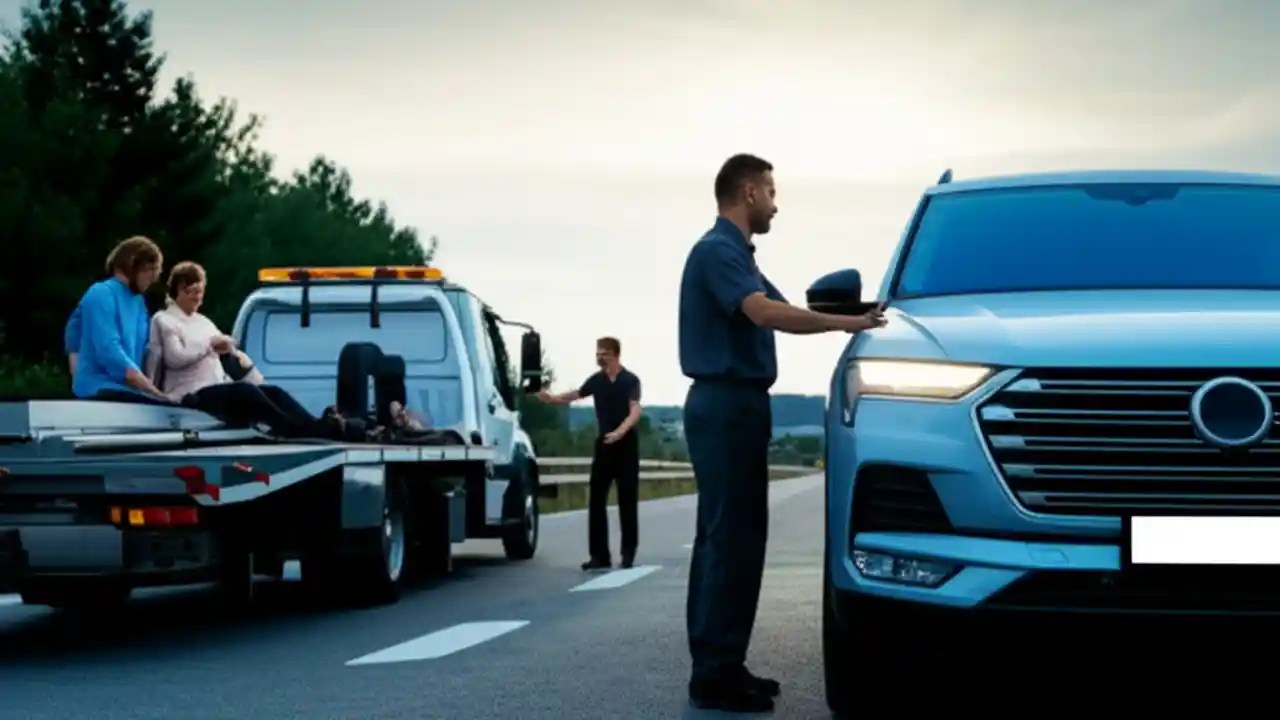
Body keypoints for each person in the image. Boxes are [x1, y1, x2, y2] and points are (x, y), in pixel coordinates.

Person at [677, 153, 887, 713]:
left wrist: (861, 309)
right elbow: (767, 313)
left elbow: (788, 305)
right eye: (770, 191)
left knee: (741, 540)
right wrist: (848, 324)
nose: (775, 202)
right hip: (724, 404)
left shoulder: (737, 255)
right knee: (726, 538)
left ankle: (726, 663)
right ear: (747, 193)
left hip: (740, 405)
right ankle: (713, 675)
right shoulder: (717, 251)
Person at [144, 261, 343, 439]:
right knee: (244, 391)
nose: (198, 298)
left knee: (271, 391)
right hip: (189, 394)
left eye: (201, 292)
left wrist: (232, 354)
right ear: (178, 289)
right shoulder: (165, 320)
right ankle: (292, 429)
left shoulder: (204, 322)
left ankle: (315, 424)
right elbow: (175, 358)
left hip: (216, 387)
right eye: (192, 292)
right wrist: (209, 345)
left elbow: (229, 355)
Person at [536, 337, 643, 570]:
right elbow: (575, 395)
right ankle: (599, 555)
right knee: (596, 500)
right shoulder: (597, 381)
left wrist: (620, 431)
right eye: (597, 353)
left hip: (626, 447)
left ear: (616, 354)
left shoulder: (630, 380)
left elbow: (635, 410)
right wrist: (552, 399)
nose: (599, 357)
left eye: (603, 353)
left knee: (627, 501)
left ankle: (628, 553)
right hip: (604, 445)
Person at [65, 236, 170, 403]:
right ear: (135, 266)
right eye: (152, 270)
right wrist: (151, 389)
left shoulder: (139, 303)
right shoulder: (101, 293)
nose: (153, 278)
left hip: (130, 390)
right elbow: (107, 349)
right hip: (102, 391)